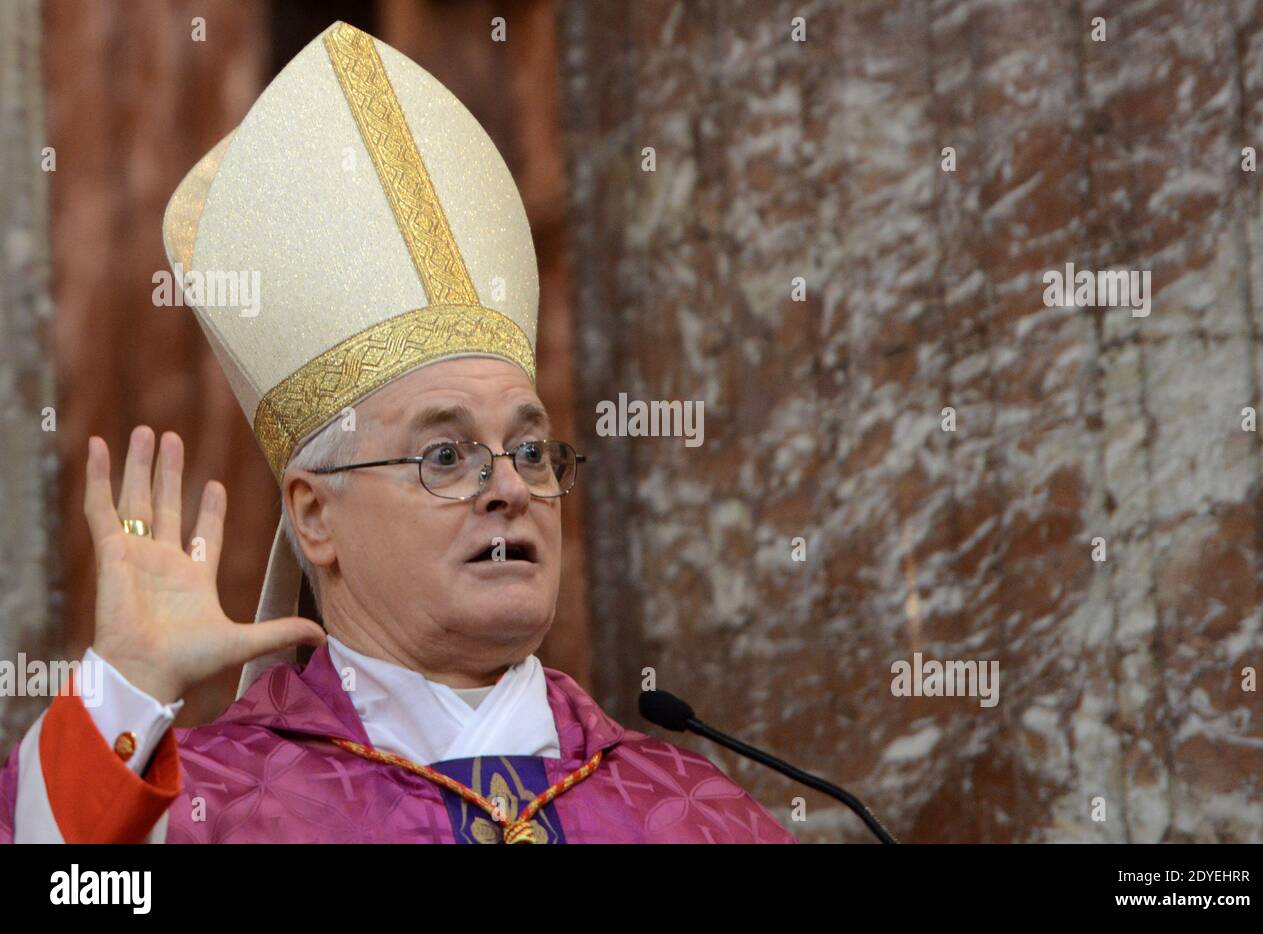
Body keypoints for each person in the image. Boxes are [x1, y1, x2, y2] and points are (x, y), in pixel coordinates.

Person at [0, 21, 794, 844]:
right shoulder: (205, 808)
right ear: (314, 515)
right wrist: (122, 695)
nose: (511, 490)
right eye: (447, 456)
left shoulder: (694, 812)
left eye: (529, 451)